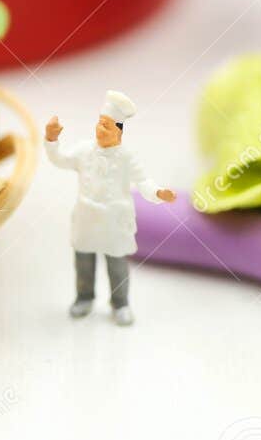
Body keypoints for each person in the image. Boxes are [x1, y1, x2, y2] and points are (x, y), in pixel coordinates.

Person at [44, 91, 175, 326]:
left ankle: (120, 303)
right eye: (99, 123)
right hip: (86, 217)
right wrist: (52, 141)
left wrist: (158, 193)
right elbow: (60, 160)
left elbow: (143, 181)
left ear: (118, 131)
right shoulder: (84, 150)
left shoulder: (126, 157)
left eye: (106, 125)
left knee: (117, 264)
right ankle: (84, 297)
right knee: (83, 260)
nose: (100, 129)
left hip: (114, 221)